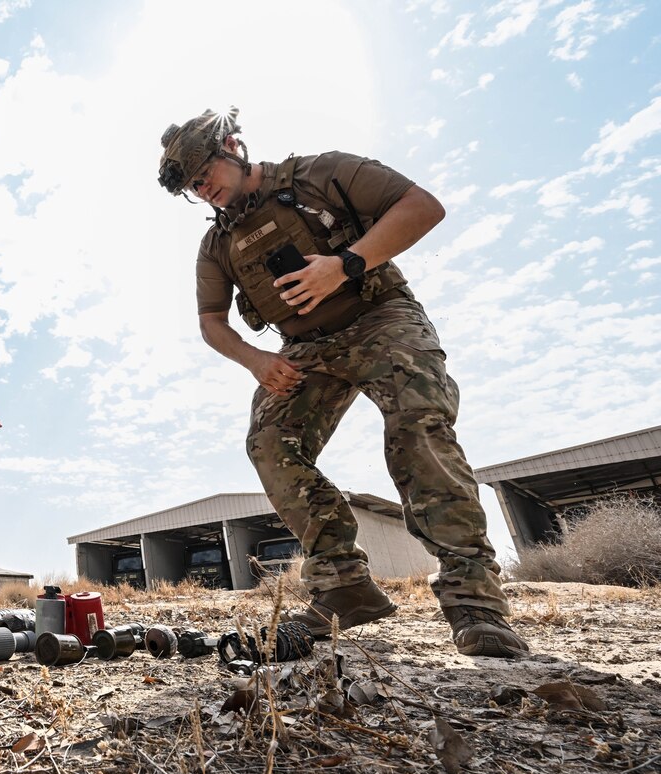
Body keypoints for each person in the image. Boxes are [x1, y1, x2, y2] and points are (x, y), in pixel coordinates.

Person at [157, 108, 528, 658]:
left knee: (417, 424)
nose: (202, 186)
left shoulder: (319, 173)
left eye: (202, 170)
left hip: (380, 314)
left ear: (232, 146)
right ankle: (344, 586)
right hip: (304, 349)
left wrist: (345, 264)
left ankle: (474, 599)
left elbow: (423, 206)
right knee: (270, 444)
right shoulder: (217, 246)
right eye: (191, 184)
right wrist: (257, 360)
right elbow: (212, 322)